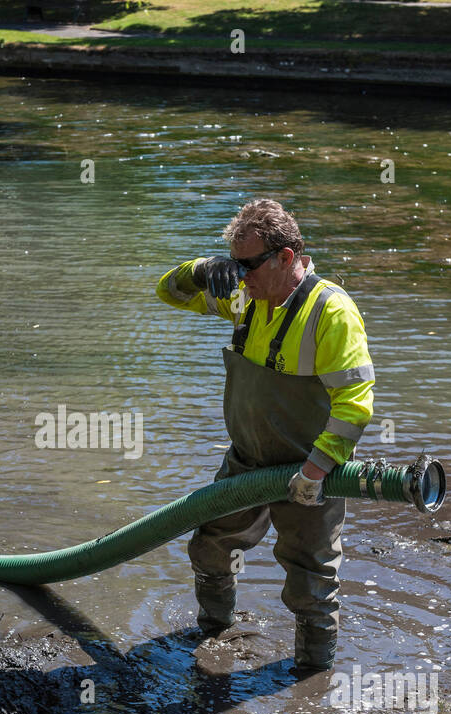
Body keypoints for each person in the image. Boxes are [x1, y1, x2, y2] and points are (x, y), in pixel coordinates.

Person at [155, 199, 374, 676]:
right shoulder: (244, 297)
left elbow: (355, 406)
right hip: (246, 463)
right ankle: (212, 637)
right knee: (211, 547)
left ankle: (312, 680)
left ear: (286, 258)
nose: (240, 274)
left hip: (311, 471)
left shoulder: (331, 312)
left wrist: (314, 473)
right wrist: (199, 269)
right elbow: (167, 293)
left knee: (311, 582)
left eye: (248, 264)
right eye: (233, 263)